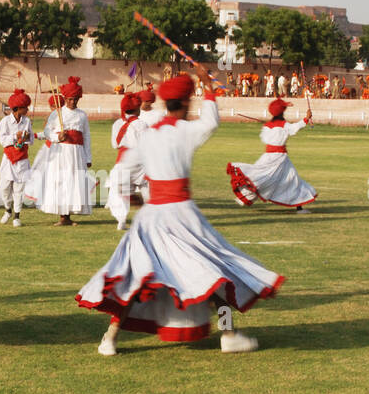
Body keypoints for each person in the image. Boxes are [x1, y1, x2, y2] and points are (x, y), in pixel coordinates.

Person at [76, 68, 281, 355]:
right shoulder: (186, 131)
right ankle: (229, 334)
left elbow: (122, 173)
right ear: (185, 103)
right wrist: (208, 86)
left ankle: (110, 338)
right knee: (215, 273)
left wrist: (133, 196)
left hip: (151, 217)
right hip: (182, 215)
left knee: (138, 277)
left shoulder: (146, 136)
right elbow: (211, 122)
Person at [226, 97, 317, 211]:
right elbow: (294, 129)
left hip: (268, 156)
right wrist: (306, 119)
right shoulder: (284, 125)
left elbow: (264, 138)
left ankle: (246, 196)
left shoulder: (267, 126)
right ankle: (299, 208)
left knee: (264, 177)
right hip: (279, 157)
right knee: (288, 179)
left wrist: (273, 129)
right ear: (282, 112)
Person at [39, 76, 92, 226]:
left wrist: (88, 157)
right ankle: (62, 216)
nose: (72, 102)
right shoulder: (57, 114)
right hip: (61, 152)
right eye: (69, 99)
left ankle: (69, 216)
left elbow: (87, 136)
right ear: (65, 98)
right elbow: (47, 131)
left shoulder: (82, 115)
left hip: (77, 152)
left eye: (75, 99)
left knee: (74, 181)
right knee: (62, 181)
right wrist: (57, 136)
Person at [106, 92, 147, 231]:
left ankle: (121, 219)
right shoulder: (141, 124)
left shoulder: (117, 123)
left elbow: (114, 144)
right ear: (137, 109)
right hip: (139, 160)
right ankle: (148, 214)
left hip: (122, 161)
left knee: (120, 190)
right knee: (147, 187)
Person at [0, 89, 33, 227]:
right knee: (5, 187)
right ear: (17, 108)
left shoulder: (27, 121)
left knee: (19, 188)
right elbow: (2, 140)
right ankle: (8, 210)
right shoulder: (5, 122)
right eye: (25, 107)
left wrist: (27, 137)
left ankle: (17, 216)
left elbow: (31, 139)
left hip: (22, 158)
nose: (27, 110)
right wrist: (15, 136)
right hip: (8, 158)